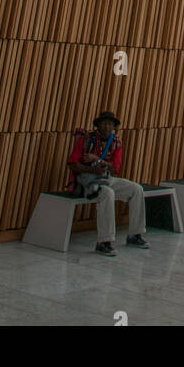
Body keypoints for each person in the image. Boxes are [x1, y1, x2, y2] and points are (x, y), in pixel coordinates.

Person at [67, 110, 149, 257]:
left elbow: (114, 169)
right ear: (97, 125)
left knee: (136, 189)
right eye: (104, 123)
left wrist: (96, 160)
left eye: (110, 124)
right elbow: (73, 164)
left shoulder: (116, 142)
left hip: (106, 178)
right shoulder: (85, 140)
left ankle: (135, 235)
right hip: (85, 182)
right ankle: (104, 242)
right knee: (107, 193)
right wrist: (92, 170)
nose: (107, 126)